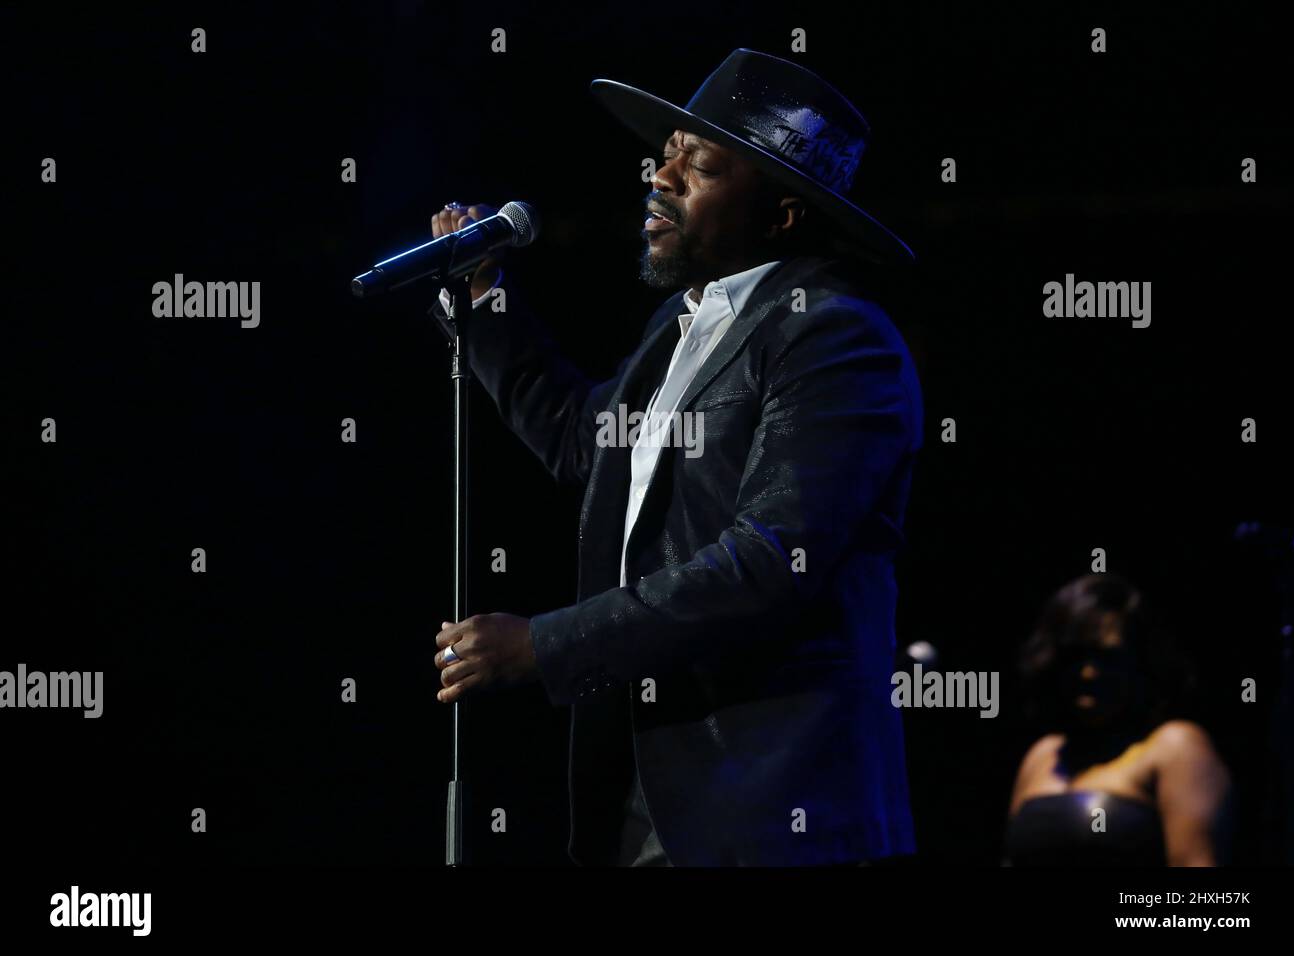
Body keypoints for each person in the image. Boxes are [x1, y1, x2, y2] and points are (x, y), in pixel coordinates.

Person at [430, 48, 923, 866]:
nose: (660, 176)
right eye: (665, 154)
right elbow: (579, 440)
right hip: (642, 793)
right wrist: (484, 300)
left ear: (785, 213)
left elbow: (770, 560)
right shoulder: (683, 328)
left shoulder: (834, 336)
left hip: (772, 802)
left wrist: (546, 643)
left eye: (700, 165)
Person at [1006, 574, 1232, 866]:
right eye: (1076, 656)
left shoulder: (1174, 747)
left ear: (1139, 661)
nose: (1088, 673)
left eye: (1107, 657)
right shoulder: (1043, 756)